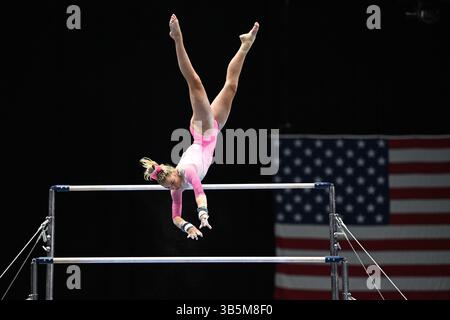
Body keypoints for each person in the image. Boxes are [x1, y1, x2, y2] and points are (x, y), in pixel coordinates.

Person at [140, 14, 259, 240]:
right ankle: (245, 45)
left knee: (195, 82)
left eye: (171, 182)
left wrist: (202, 214)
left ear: (173, 172)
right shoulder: (175, 189)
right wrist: (188, 226)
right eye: (168, 187)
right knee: (231, 86)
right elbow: (175, 217)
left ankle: (177, 39)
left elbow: (199, 191)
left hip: (202, 131)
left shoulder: (186, 172)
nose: (173, 187)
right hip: (213, 129)